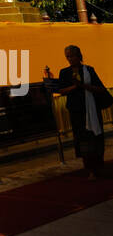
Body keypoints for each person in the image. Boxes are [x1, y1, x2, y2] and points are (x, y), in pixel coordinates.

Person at [47, 45, 112, 179]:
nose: (70, 59)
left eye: (72, 56)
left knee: (95, 138)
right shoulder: (64, 72)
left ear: (79, 56)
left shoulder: (89, 70)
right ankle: (90, 168)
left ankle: (98, 166)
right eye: (68, 56)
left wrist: (83, 86)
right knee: (83, 140)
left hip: (92, 108)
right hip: (77, 111)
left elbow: (100, 89)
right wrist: (74, 86)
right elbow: (61, 91)